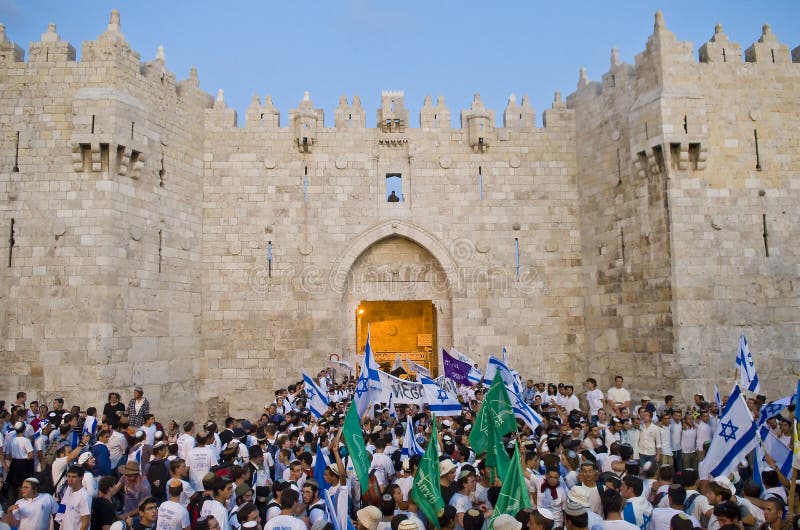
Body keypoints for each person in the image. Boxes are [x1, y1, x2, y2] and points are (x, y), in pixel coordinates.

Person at [56, 466, 91, 530]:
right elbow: (65, 511)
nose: (70, 480)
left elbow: (85, 523)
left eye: (74, 477)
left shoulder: (84, 496)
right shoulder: (68, 492)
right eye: (69, 476)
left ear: (81, 477)